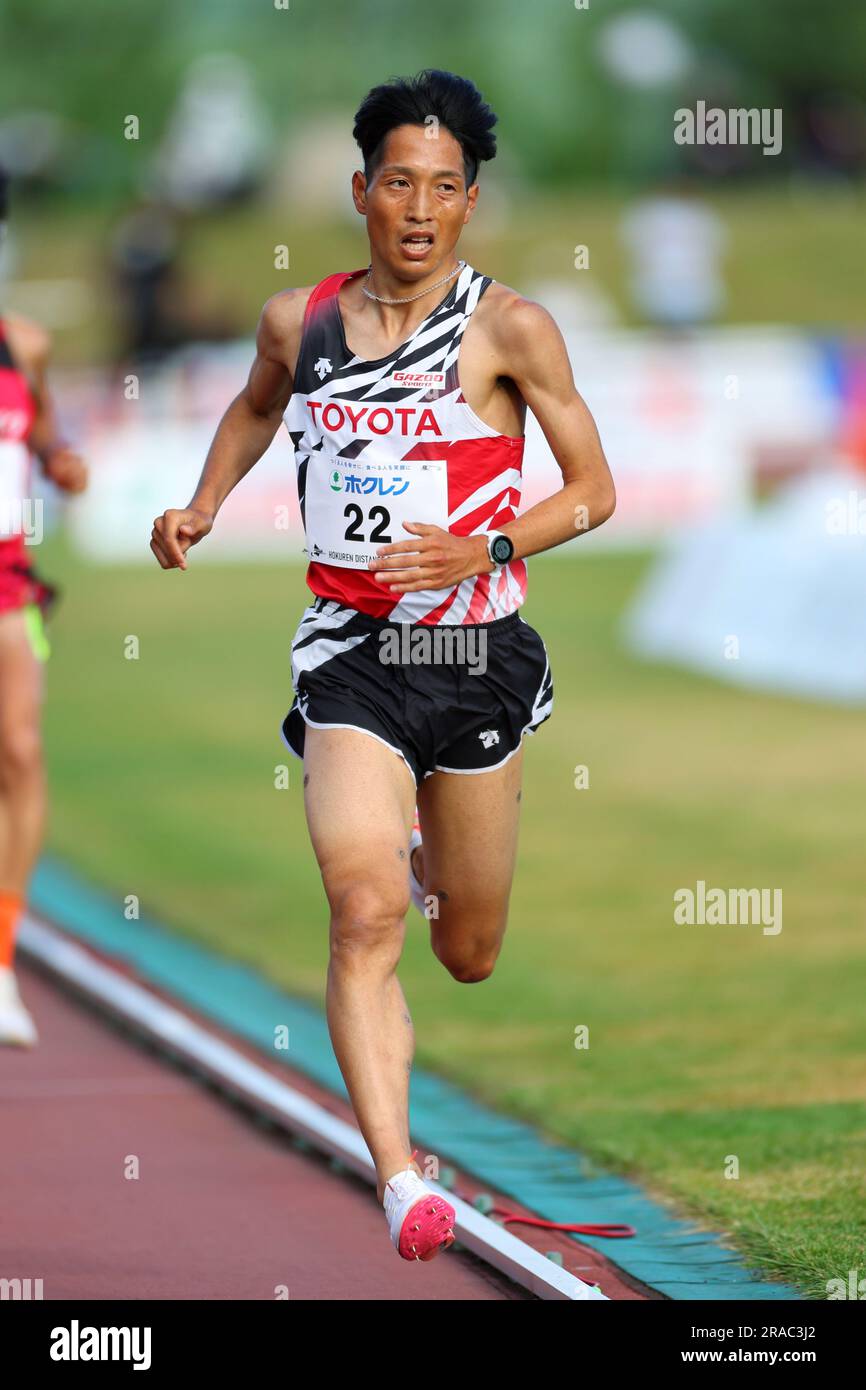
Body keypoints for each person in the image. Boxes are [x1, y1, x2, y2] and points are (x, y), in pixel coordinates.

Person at [151, 70, 615, 1262]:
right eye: (397, 182)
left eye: (443, 187)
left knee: (465, 951)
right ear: (359, 189)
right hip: (351, 656)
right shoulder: (294, 322)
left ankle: (427, 850)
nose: (417, 207)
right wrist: (203, 502)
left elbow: (593, 491)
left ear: (470, 204)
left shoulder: (511, 328)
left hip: (474, 651)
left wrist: (485, 542)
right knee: (361, 914)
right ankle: (403, 1177)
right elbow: (258, 409)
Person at [0, 165, 88, 1045]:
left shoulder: (22, 343)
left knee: (20, 752)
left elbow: (45, 431)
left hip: (7, 589)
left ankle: (0, 964)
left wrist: (61, 462)